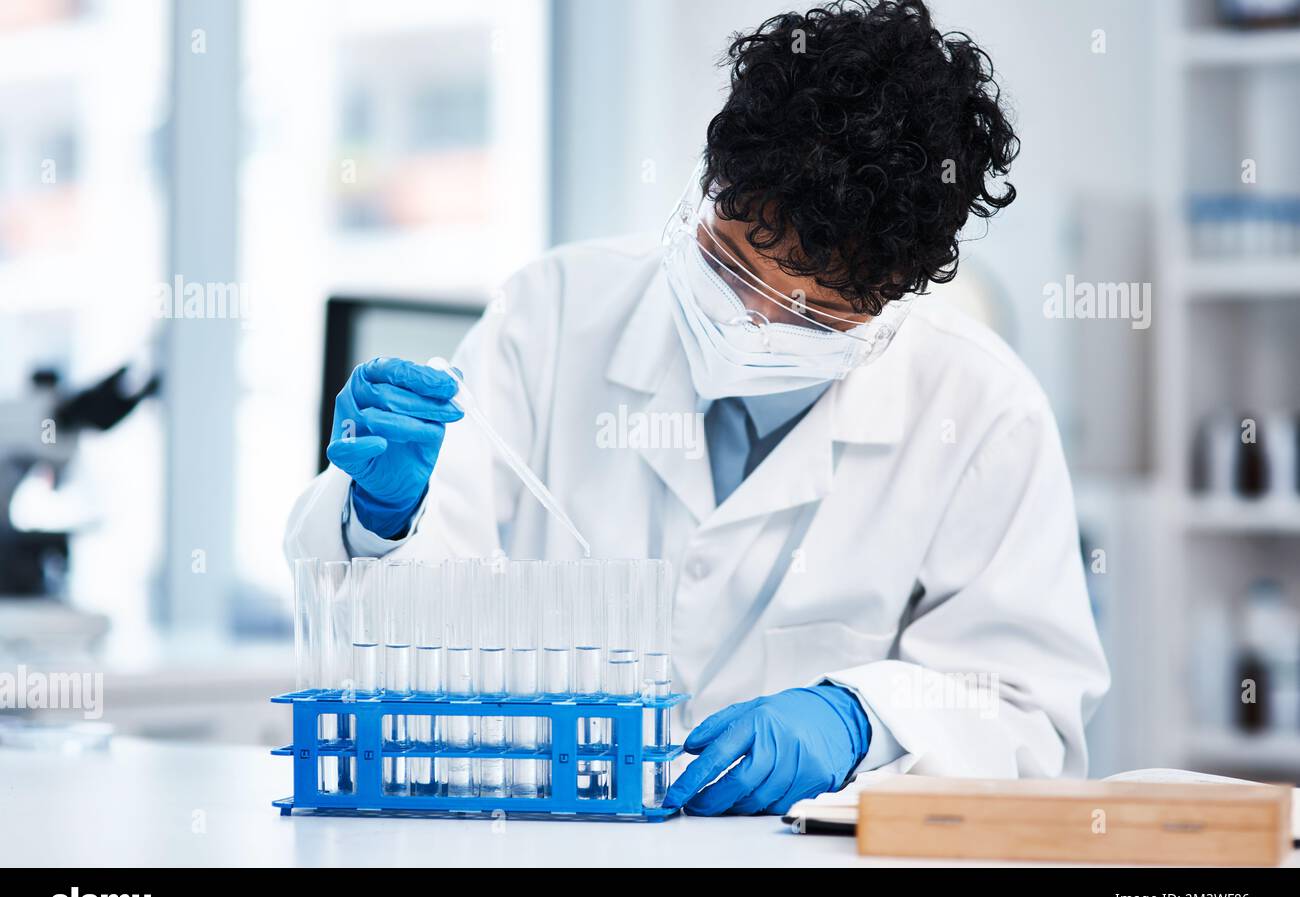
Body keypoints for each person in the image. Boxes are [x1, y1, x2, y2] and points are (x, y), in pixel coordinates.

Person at [284, 0, 1108, 816]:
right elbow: (397, 646)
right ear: (709, 189)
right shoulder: (554, 314)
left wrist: (864, 719)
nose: (753, 324)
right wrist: (384, 518)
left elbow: (1032, 721)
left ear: (891, 299)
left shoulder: (983, 412)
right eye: (731, 265)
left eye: (811, 315)